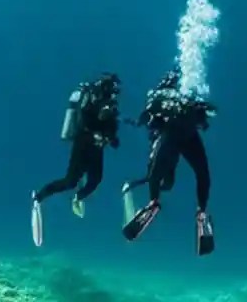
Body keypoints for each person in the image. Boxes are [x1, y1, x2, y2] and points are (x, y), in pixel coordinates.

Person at [120, 69, 217, 256]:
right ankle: (159, 200)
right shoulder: (169, 94)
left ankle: (160, 201)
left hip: (180, 136)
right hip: (178, 135)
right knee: (172, 178)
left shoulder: (178, 94)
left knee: (167, 174)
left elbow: (207, 114)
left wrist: (202, 109)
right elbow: (148, 115)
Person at [31, 72, 121, 243]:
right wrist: (98, 132)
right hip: (83, 144)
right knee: (70, 180)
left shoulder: (110, 105)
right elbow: (84, 122)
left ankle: (78, 197)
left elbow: (112, 129)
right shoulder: (91, 99)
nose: (115, 93)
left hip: (97, 147)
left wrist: (111, 137)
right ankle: (39, 197)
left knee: (95, 180)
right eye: (113, 89)